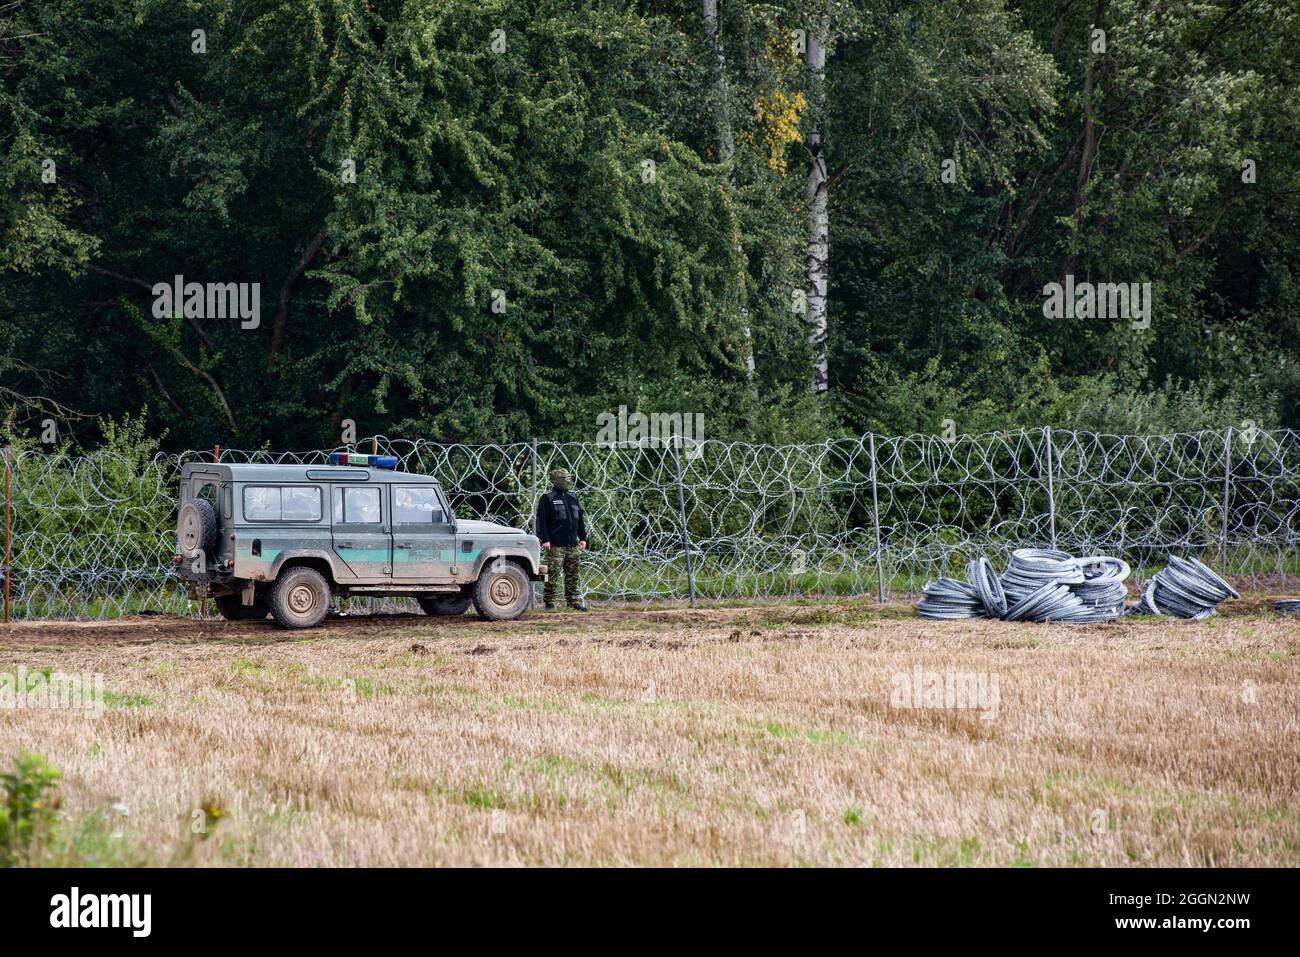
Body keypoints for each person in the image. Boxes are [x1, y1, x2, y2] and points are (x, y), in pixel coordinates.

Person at [536, 468, 587, 610]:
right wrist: (545, 539)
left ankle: (573, 601)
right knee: (552, 573)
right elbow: (541, 520)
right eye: (565, 478)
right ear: (557, 480)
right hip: (555, 544)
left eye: (569, 478)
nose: (568, 481)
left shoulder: (573, 497)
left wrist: (582, 537)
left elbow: (579, 519)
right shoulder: (548, 498)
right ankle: (549, 601)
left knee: (572, 574)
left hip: (572, 543)